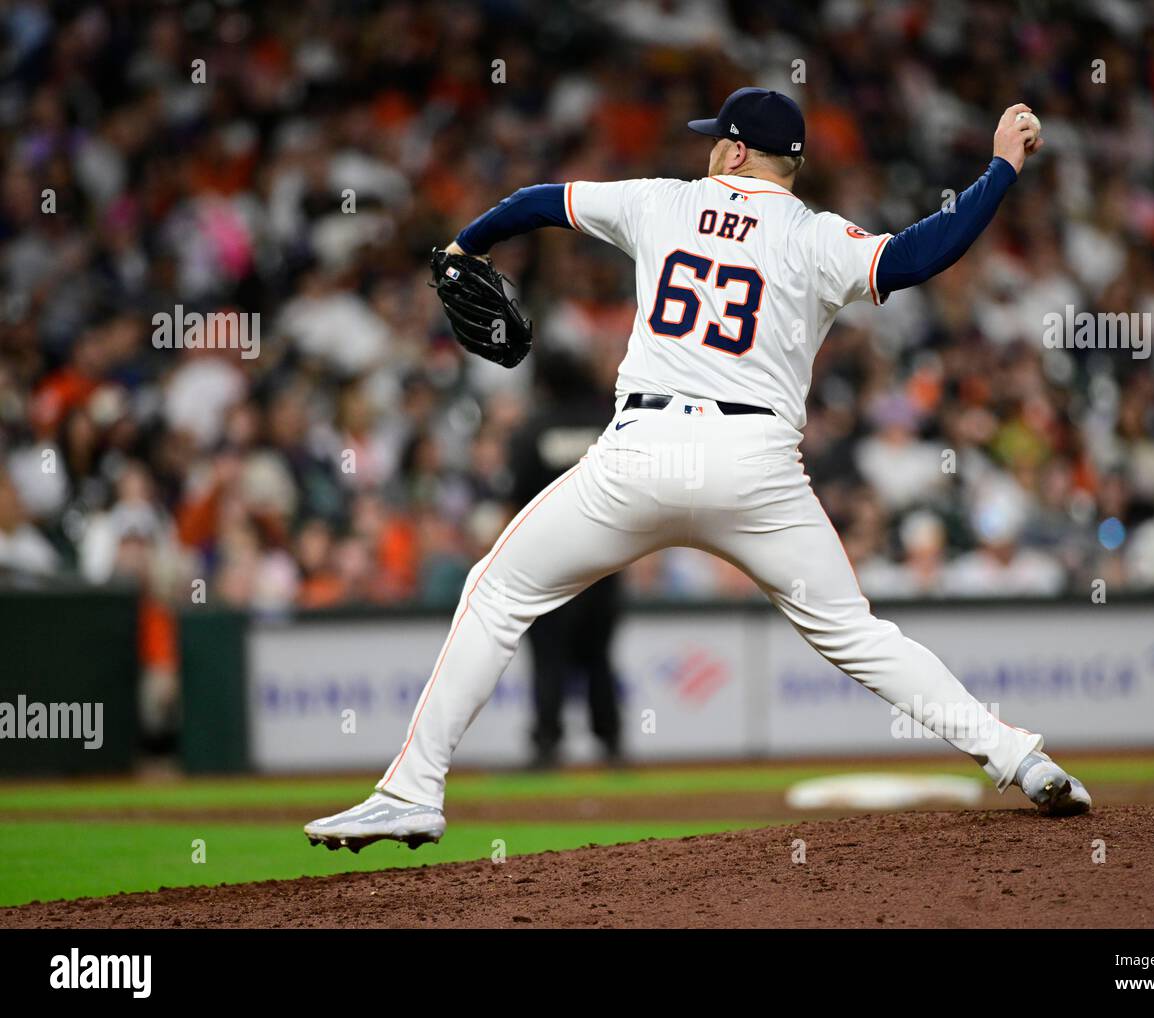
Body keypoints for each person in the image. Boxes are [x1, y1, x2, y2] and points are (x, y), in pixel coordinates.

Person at [306, 88, 1090, 853]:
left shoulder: (663, 201)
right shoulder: (817, 236)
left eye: (718, 135)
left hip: (641, 453)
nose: (710, 143)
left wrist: (462, 245)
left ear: (737, 149)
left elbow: (540, 199)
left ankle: (412, 792)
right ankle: (1019, 755)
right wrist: (1000, 170)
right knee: (857, 633)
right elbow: (925, 253)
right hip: (756, 468)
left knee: (498, 592)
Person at [510, 352, 623, 768]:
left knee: (548, 657)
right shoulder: (607, 422)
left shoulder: (533, 428)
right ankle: (610, 743)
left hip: (549, 563)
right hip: (604, 562)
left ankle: (546, 744)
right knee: (598, 657)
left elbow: (517, 496)